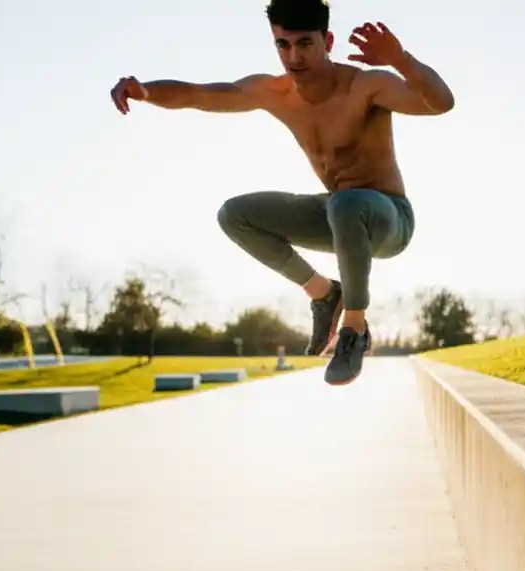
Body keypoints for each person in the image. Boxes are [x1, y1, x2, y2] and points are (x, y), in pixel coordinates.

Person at [109, 0, 455, 386]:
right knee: (235, 214)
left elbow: (440, 103)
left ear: (327, 40)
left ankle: (354, 330)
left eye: (305, 44)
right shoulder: (276, 92)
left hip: (390, 219)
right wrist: (145, 91)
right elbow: (200, 94)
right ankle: (324, 294)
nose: (294, 56)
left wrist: (401, 59)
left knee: (347, 202)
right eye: (283, 45)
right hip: (339, 217)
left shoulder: (364, 85)